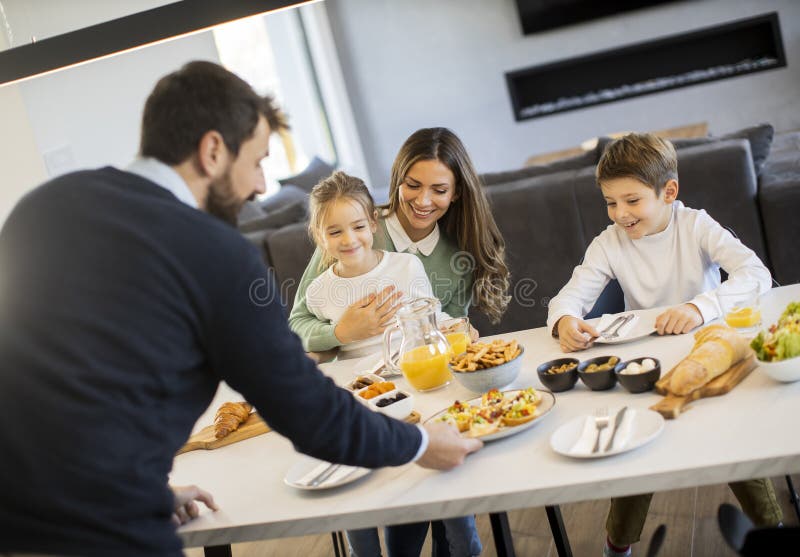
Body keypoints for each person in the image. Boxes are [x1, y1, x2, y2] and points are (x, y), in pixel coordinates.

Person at [0, 61, 482, 557]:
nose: (258, 185)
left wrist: (150, 489)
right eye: (256, 161)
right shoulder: (215, 253)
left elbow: (55, 386)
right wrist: (422, 444)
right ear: (212, 150)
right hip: (103, 534)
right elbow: (308, 412)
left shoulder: (42, 208)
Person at [544, 133, 781, 557]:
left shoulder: (695, 225)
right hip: (646, 362)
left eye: (632, 201)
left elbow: (756, 274)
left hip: (708, 350)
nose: (620, 214)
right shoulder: (608, 243)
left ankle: (773, 529)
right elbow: (570, 296)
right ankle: (618, 546)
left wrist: (699, 306)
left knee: (735, 444)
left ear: (668, 191)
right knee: (639, 450)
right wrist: (563, 319)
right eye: (611, 202)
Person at [290, 127, 507, 557]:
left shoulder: (453, 248)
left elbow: (446, 323)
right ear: (396, 182)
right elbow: (300, 322)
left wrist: (459, 332)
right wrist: (340, 333)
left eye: (439, 189)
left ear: (457, 193)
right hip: (367, 394)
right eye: (412, 185)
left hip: (425, 386)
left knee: (435, 474)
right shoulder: (345, 230)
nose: (424, 200)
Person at [304, 170, 450, 360]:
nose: (349, 240)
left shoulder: (407, 266)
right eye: (335, 232)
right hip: (358, 384)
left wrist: (460, 328)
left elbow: (434, 319)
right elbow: (324, 348)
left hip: (414, 369)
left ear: (373, 223)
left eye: (358, 227)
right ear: (319, 236)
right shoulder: (318, 291)